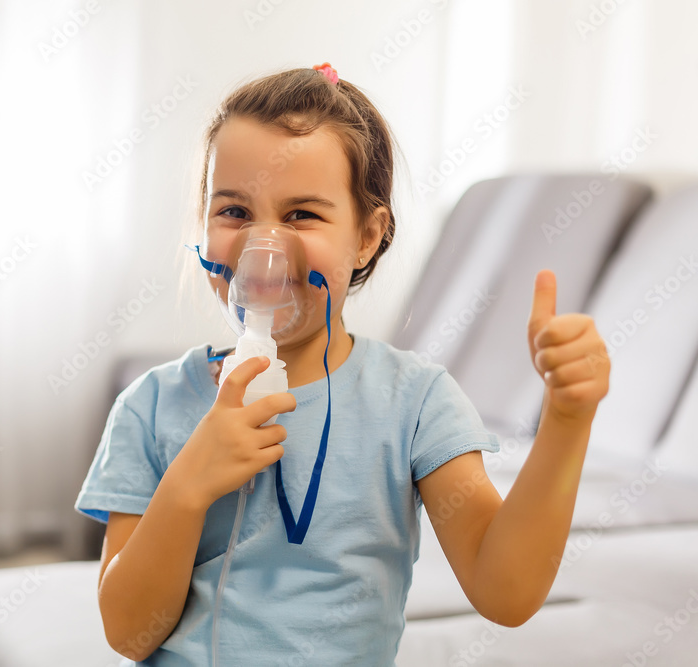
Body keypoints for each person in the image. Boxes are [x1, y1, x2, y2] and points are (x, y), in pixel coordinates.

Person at [74, 62, 610, 665]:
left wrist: (567, 421)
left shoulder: (413, 403)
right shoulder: (152, 406)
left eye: (302, 214)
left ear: (367, 236)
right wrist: (187, 485)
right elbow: (127, 632)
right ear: (202, 228)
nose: (263, 246)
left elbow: (506, 592)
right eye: (233, 212)